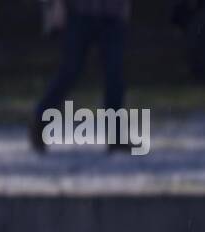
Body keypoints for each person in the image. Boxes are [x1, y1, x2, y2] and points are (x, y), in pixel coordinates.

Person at [31, 0, 132, 153]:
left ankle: (116, 137)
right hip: (79, 12)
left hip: (112, 14)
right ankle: (39, 124)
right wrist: (57, 5)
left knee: (114, 76)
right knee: (69, 72)